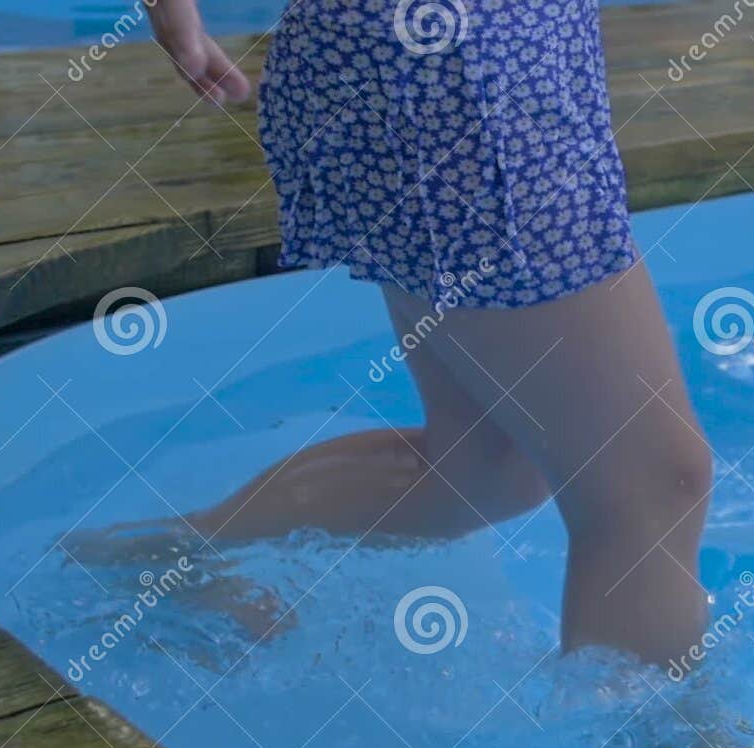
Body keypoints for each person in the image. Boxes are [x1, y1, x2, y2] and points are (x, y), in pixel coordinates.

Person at [147, 0, 712, 666]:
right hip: (461, 65)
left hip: (460, 55)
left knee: (487, 463)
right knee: (649, 483)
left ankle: (164, 560)